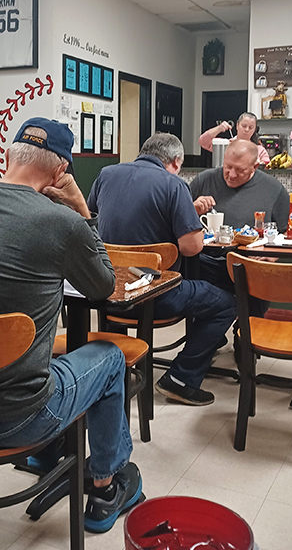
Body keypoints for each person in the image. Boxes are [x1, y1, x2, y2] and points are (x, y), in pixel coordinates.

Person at [0, 117, 142, 533]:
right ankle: (106, 486)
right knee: (108, 357)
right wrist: (81, 210)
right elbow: (104, 286)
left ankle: (48, 454)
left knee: (41, 355)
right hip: (11, 422)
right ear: (60, 173)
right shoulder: (62, 223)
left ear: (7, 156)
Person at [87, 132, 237, 407]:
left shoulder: (107, 174)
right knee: (228, 302)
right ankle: (181, 379)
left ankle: (115, 371)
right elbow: (191, 247)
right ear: (176, 162)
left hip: (108, 292)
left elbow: (91, 218)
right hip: (155, 297)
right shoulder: (174, 184)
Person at [190, 140, 289, 313]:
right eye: (227, 166)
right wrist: (193, 209)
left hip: (250, 266)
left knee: (250, 323)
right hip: (209, 264)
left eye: (240, 170)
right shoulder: (204, 180)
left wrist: (272, 257)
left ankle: (245, 335)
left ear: (255, 166)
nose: (231, 174)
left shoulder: (274, 190)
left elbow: (287, 232)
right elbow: (178, 221)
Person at [199, 111, 270, 165]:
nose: (247, 130)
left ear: (254, 130)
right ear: (237, 126)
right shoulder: (226, 145)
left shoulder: (259, 150)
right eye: (244, 126)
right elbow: (203, 142)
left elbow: (268, 167)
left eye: (251, 127)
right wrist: (219, 129)